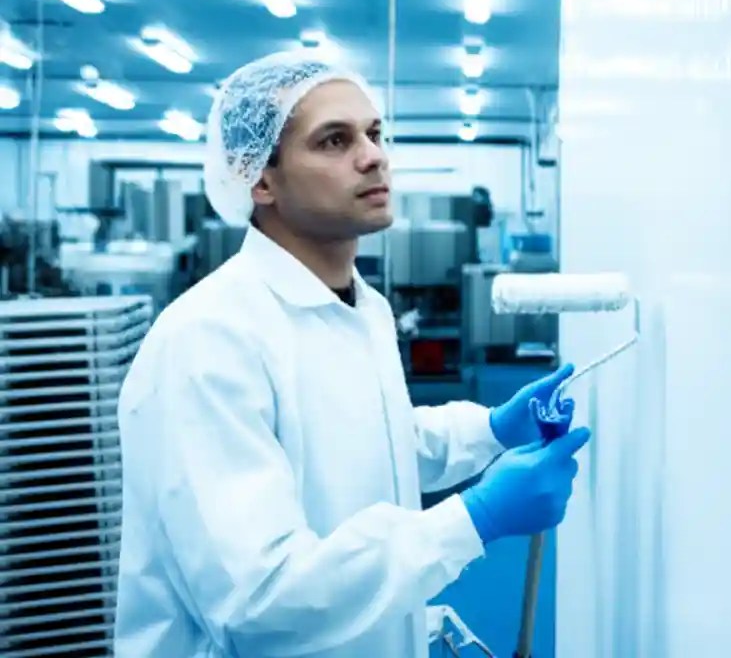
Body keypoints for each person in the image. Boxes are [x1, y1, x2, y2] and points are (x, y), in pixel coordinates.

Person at [112, 50, 591, 657]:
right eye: (334, 141)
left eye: (374, 133)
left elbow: (367, 448)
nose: (373, 155)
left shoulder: (362, 309)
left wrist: (491, 429)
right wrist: (473, 519)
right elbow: (259, 601)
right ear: (258, 178)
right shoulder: (208, 340)